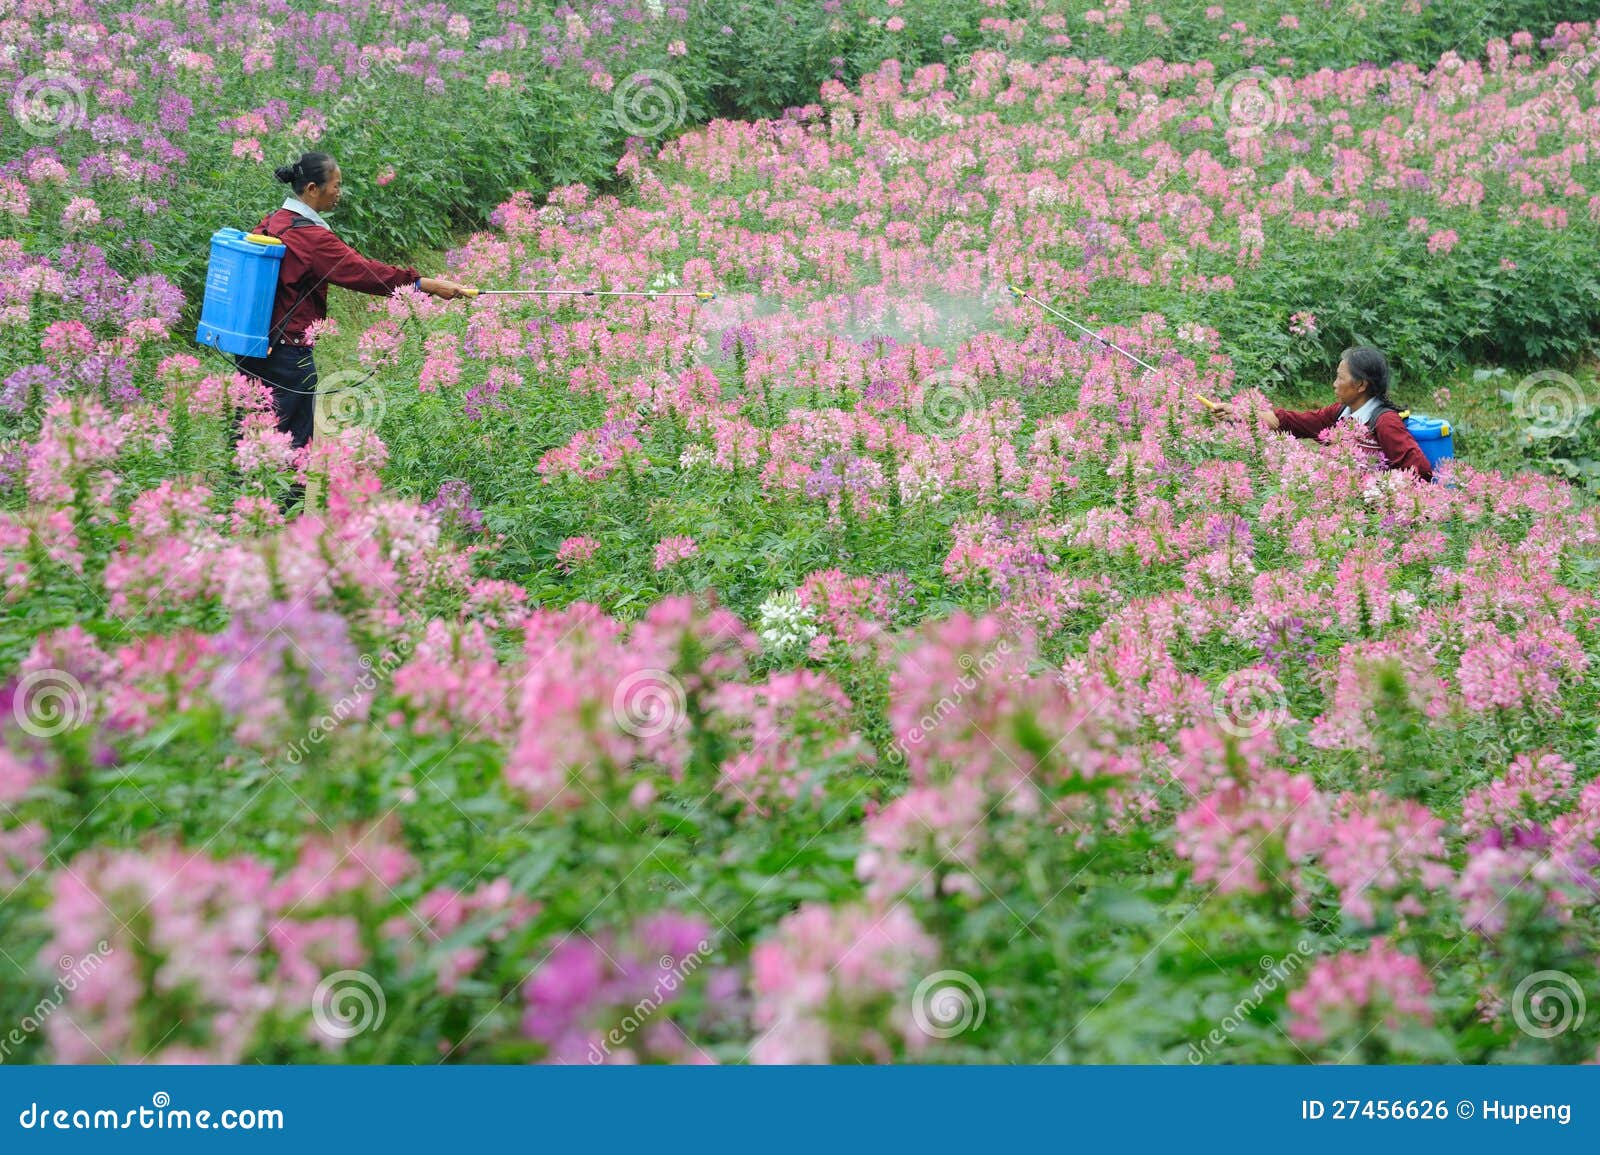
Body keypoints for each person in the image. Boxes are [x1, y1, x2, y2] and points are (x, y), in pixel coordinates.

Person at [231, 151, 474, 506]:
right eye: (336, 185)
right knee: (293, 442)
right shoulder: (312, 237)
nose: (339, 192)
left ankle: (239, 511)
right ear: (313, 188)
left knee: (250, 433)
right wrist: (425, 284)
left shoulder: (273, 222)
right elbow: (365, 272)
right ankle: (280, 525)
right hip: (288, 354)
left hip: (253, 346)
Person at [1200, 345, 1433, 481]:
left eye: (1340, 378)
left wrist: (1378, 489)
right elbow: (1295, 423)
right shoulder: (1341, 413)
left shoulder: (1385, 422)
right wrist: (1238, 412)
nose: (1334, 384)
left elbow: (1420, 471)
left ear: (1361, 385)